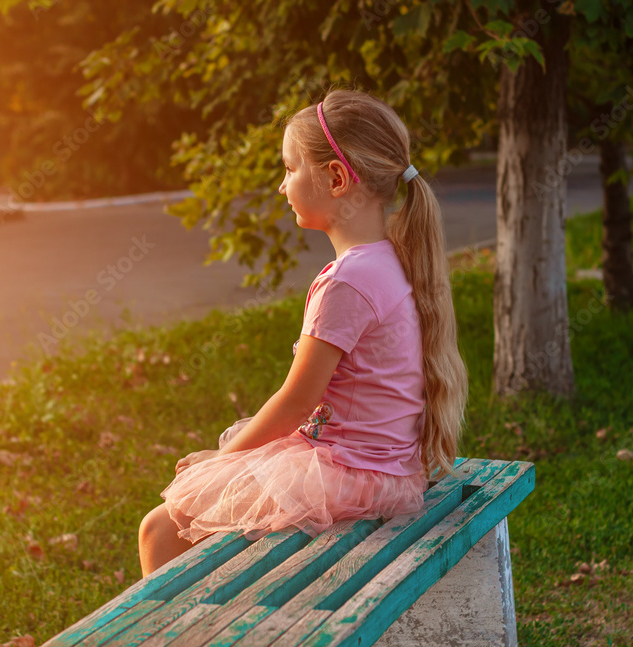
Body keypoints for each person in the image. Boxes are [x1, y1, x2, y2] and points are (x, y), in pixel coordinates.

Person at [138, 87, 469, 577]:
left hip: (352, 476)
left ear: (336, 178)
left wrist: (220, 461)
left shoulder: (349, 281)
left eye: (290, 168)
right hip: (381, 469)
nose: (281, 185)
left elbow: (296, 400)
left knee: (160, 529)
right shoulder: (391, 260)